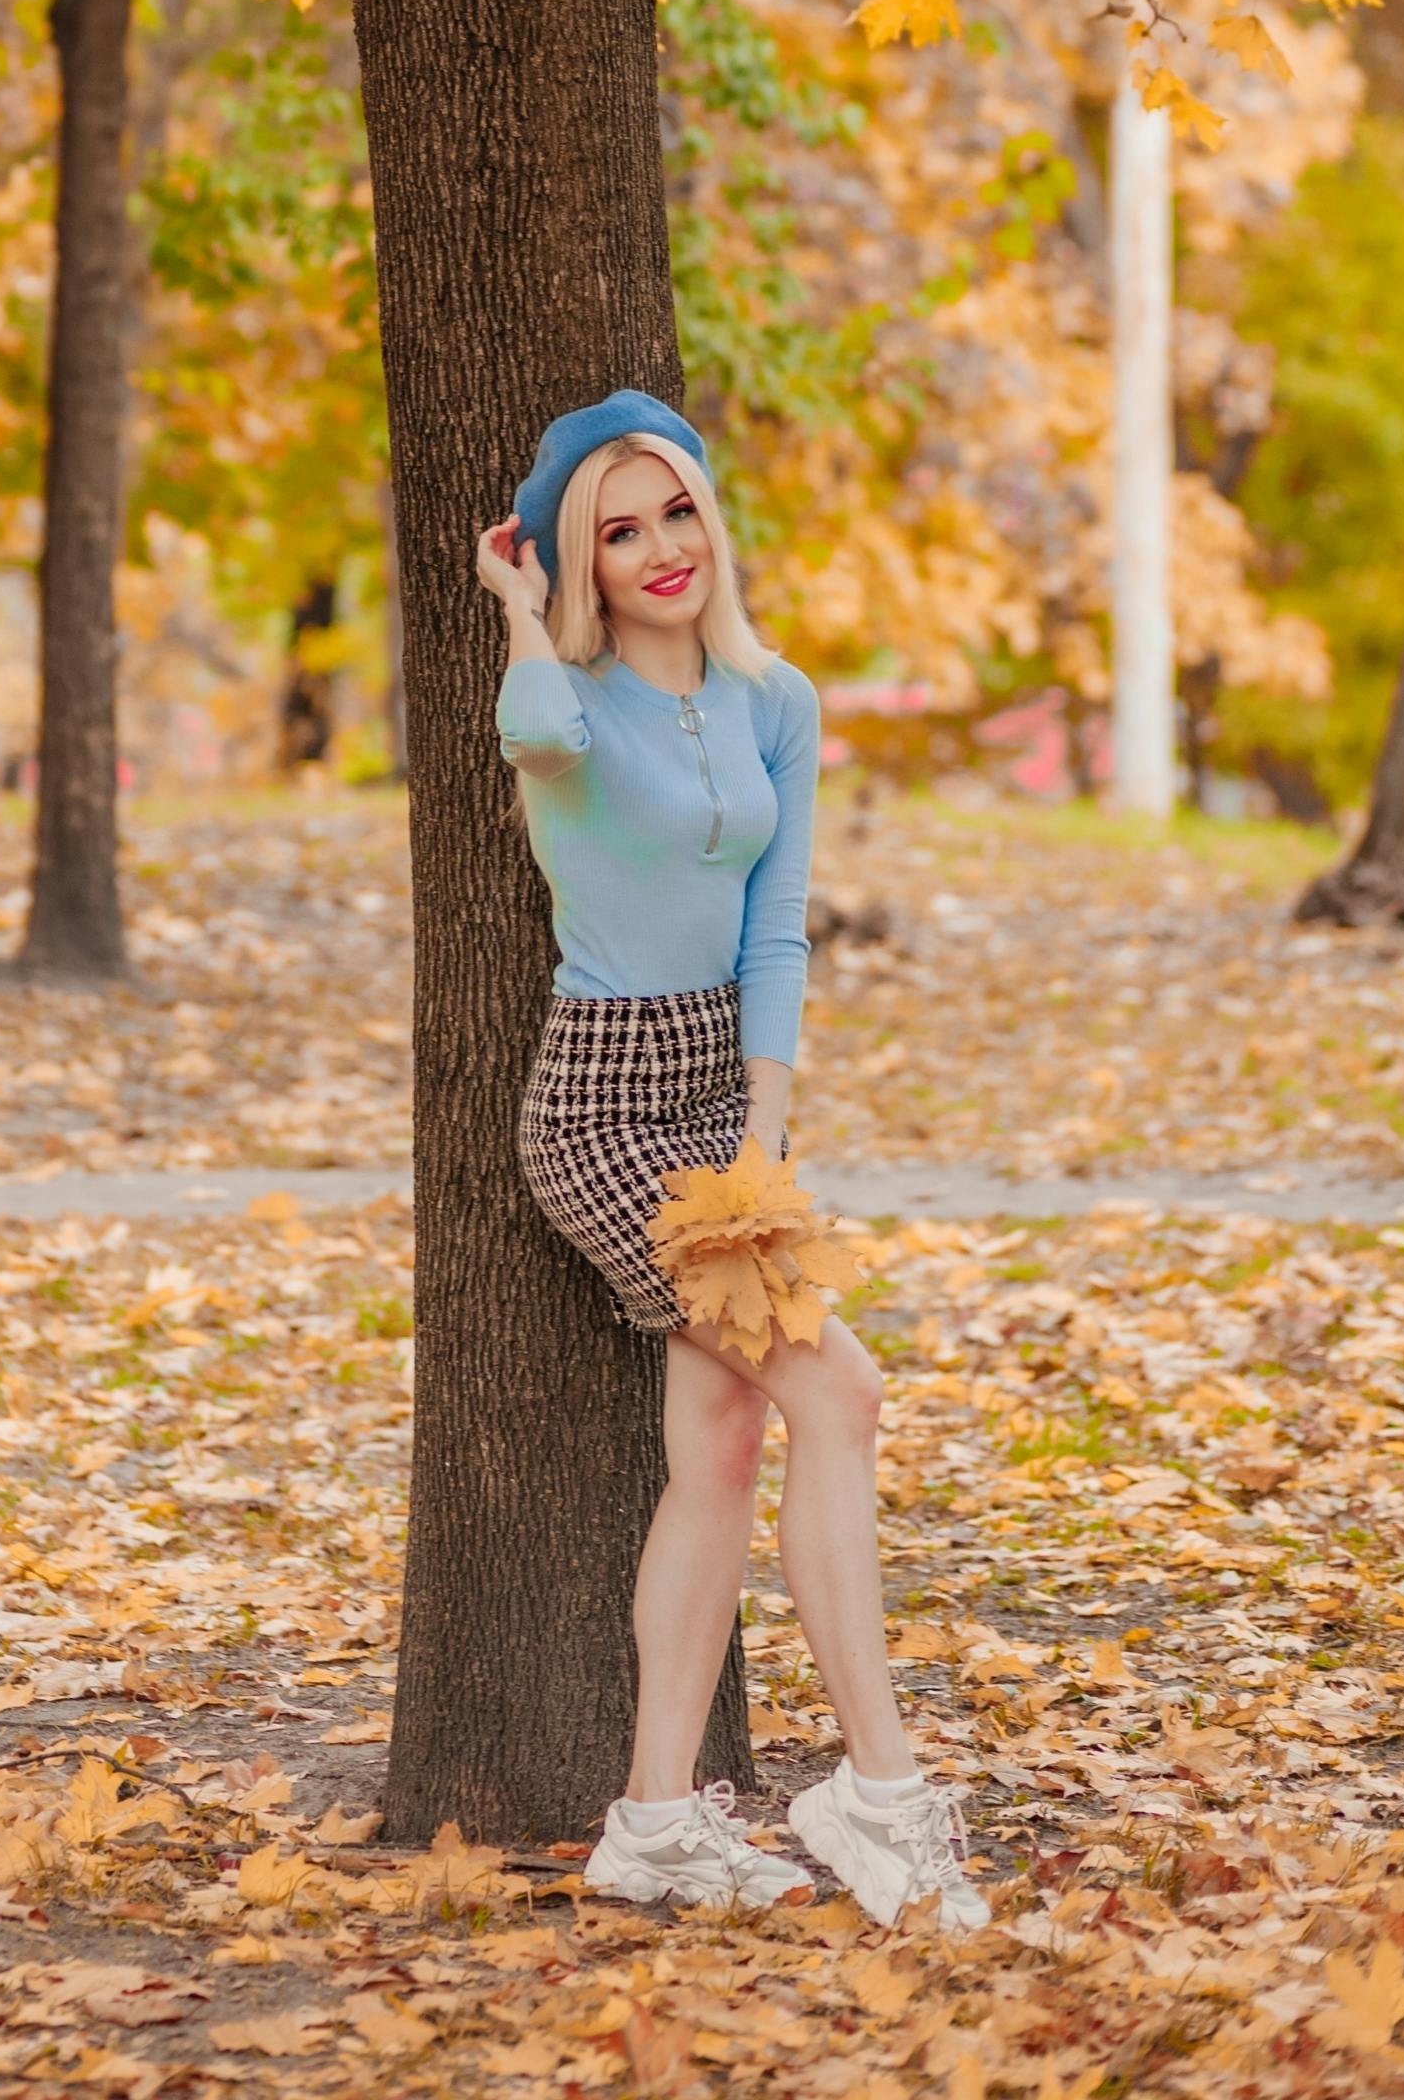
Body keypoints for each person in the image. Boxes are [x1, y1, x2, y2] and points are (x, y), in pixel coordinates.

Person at [475, 388, 987, 1932]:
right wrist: (518, 604)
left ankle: (652, 1822)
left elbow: (778, 923)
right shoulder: (566, 696)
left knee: (723, 1451)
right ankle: (879, 1795)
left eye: (673, 513)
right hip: (605, 1107)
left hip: (726, 1103)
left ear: (712, 518)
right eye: (614, 533)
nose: (657, 550)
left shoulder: (777, 700)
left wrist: (766, 1127)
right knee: (841, 1388)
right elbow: (530, 730)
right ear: (584, 561)